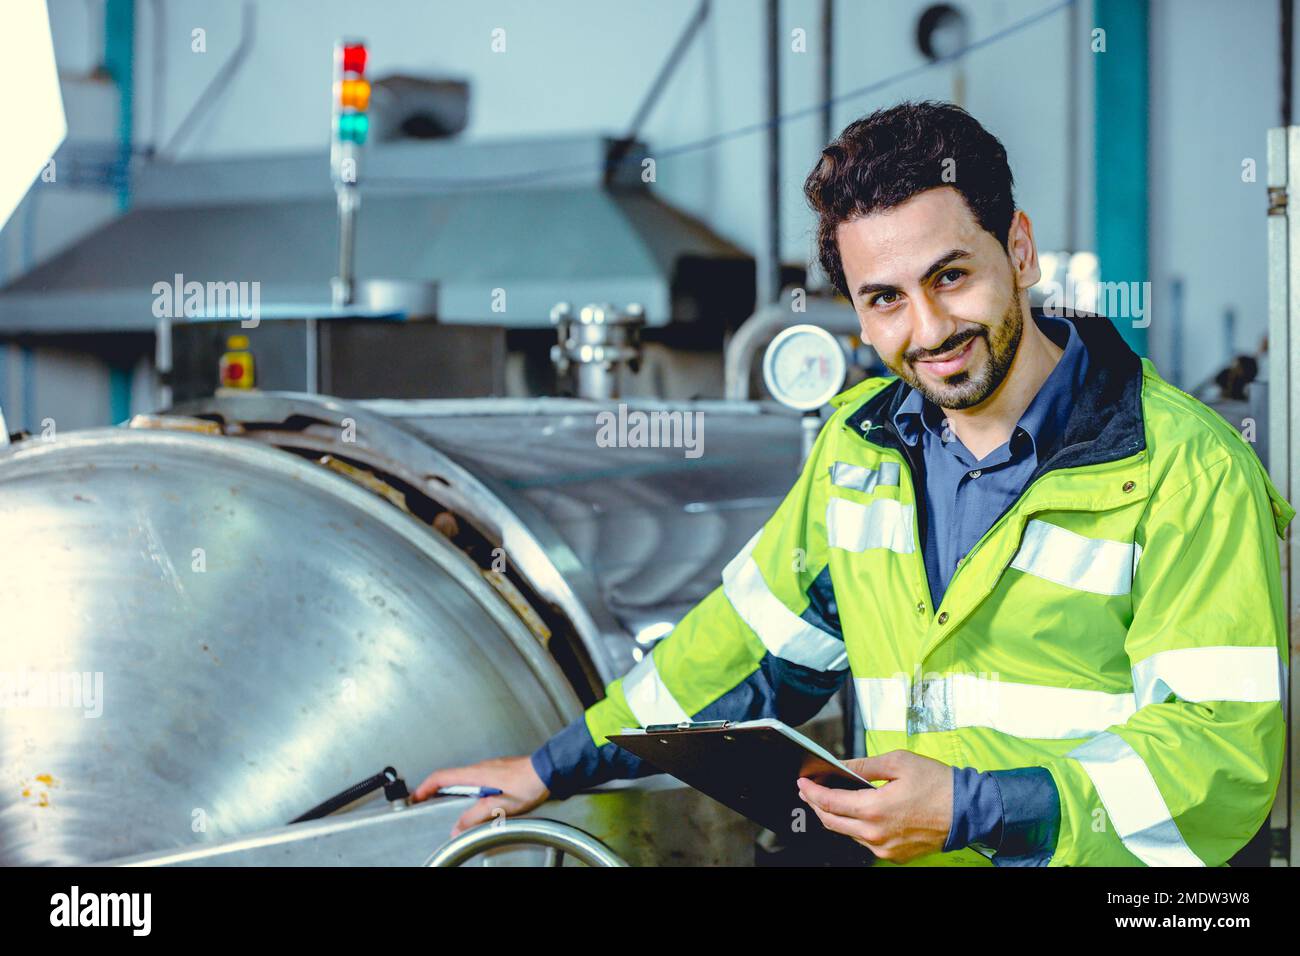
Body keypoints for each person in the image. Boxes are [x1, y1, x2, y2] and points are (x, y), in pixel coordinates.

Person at [414, 100, 1293, 867]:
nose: (930, 328)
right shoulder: (859, 447)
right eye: (885, 299)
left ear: (1019, 251)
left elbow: (1218, 757)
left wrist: (973, 808)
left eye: (951, 276)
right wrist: (552, 765)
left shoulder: (1185, 466)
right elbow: (742, 656)